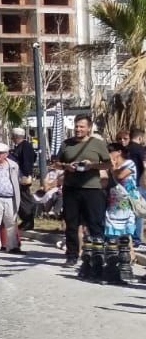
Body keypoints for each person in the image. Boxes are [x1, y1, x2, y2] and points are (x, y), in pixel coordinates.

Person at [54, 115, 110, 268]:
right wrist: (67, 166)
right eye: (77, 126)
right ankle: (72, 255)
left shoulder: (97, 144)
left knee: (95, 224)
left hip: (92, 189)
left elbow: (108, 164)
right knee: (71, 224)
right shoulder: (66, 144)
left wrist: (91, 165)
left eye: (82, 127)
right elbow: (56, 163)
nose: (78, 129)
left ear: (89, 128)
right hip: (71, 188)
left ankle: (97, 255)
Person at [8, 128, 38, 233]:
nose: (11, 137)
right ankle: (25, 220)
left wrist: (26, 175)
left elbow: (27, 161)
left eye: (12, 135)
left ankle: (28, 221)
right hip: (18, 175)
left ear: (15, 136)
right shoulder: (20, 146)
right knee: (20, 198)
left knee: (24, 199)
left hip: (22, 176)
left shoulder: (25, 147)